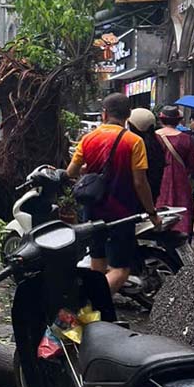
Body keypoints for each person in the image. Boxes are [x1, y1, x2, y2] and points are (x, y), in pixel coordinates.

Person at [66, 92, 160, 294]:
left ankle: (93, 312)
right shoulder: (134, 141)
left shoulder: (89, 138)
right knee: (120, 270)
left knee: (98, 265)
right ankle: (90, 302)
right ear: (128, 115)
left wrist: (85, 171)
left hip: (91, 211)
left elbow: (71, 172)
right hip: (121, 213)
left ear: (104, 114)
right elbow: (140, 182)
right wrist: (152, 213)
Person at [156, 104, 194, 237]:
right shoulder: (186, 139)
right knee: (182, 212)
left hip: (157, 183)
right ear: (179, 120)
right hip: (182, 183)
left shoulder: (153, 137)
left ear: (161, 120)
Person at [127, 107, 165, 202]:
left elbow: (140, 182)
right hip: (152, 197)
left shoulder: (133, 145)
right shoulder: (158, 145)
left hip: (133, 199)